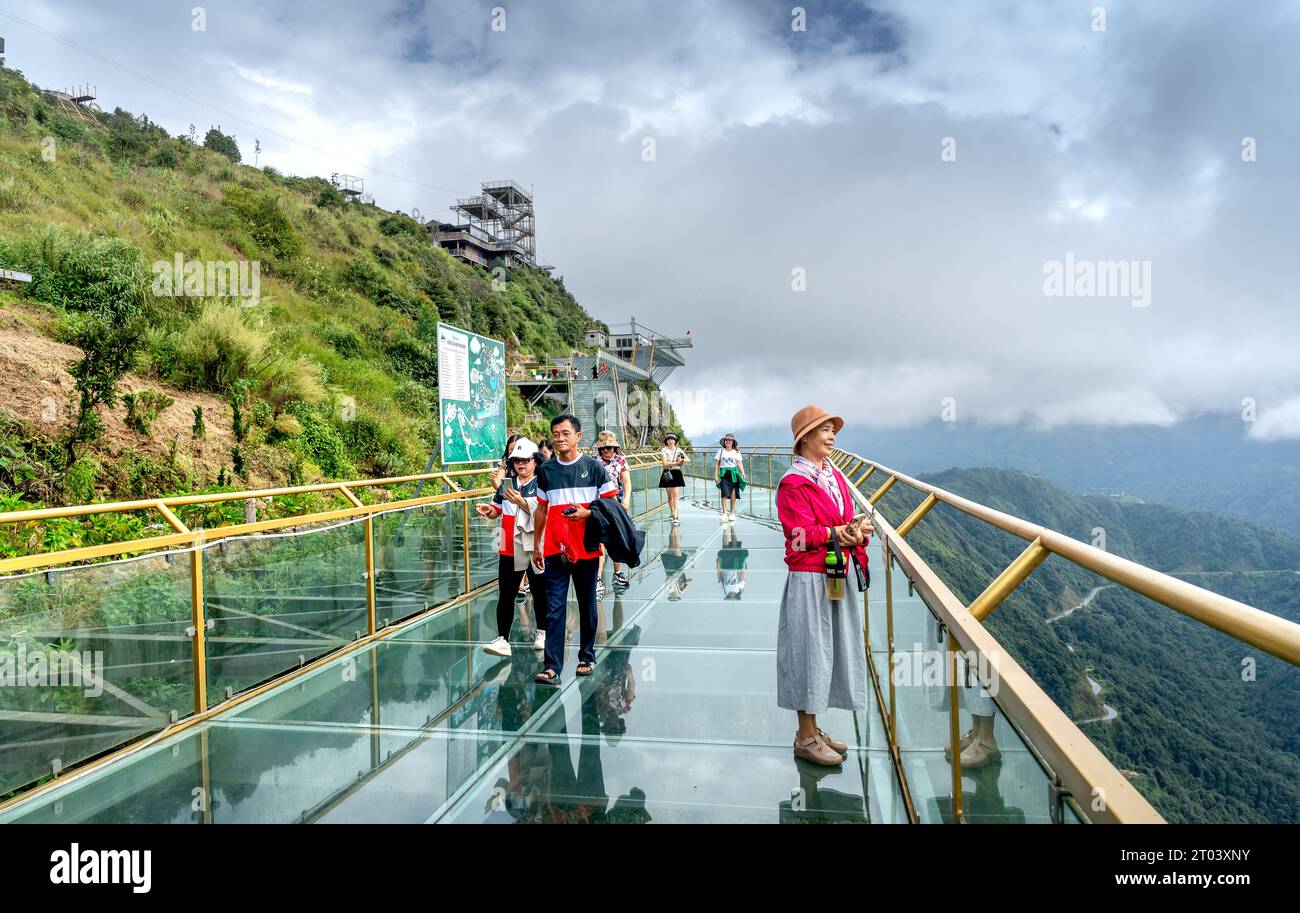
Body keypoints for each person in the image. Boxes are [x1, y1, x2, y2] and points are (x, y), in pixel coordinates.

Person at [776, 405, 873, 767]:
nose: (832, 436)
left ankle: (814, 730)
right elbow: (798, 536)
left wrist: (856, 528)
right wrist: (840, 533)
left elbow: (842, 522)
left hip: (834, 573)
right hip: (809, 578)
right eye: (825, 430)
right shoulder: (793, 483)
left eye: (833, 430)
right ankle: (804, 736)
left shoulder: (831, 476)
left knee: (826, 651)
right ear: (805, 437)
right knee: (807, 651)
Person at [531, 414, 619, 686]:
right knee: (554, 606)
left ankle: (586, 656)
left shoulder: (594, 468)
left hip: (587, 547)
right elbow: (542, 509)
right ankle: (552, 667)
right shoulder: (546, 471)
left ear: (578, 436)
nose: (559, 438)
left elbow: (611, 506)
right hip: (554, 548)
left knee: (586, 603)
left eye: (565, 433)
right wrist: (537, 543)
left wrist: (587, 513)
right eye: (555, 433)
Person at [478, 438, 547, 656]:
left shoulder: (543, 484)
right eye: (517, 460)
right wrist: (488, 511)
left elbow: (545, 514)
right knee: (506, 594)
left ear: (535, 461)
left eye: (526, 460)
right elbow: (497, 509)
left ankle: (543, 632)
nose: (521, 465)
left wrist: (522, 502)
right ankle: (502, 638)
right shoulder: (507, 485)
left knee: (539, 591)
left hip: (534, 546)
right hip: (509, 545)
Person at [594, 429, 633, 593]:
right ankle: (598, 578)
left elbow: (626, 481)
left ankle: (618, 573)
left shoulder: (621, 461)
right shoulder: (594, 462)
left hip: (616, 504)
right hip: (599, 505)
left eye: (609, 448)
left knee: (616, 539)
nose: (606, 451)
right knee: (600, 541)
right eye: (603, 448)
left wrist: (626, 499)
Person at [715, 433, 747, 523]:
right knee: (724, 493)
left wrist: (743, 472)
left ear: (733, 442)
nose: (727, 441)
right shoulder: (720, 451)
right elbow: (717, 463)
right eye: (726, 440)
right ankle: (724, 513)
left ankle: (732, 513)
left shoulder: (736, 452)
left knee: (733, 494)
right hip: (724, 473)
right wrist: (716, 475)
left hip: (733, 473)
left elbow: (739, 463)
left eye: (729, 440)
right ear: (724, 441)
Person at [658, 432, 687, 524]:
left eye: (672, 439)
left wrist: (681, 460)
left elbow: (687, 459)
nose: (671, 441)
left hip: (677, 473)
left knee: (675, 496)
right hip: (668, 473)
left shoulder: (678, 450)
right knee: (670, 496)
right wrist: (677, 462)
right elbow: (665, 463)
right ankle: (672, 512)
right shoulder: (664, 450)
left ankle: (675, 515)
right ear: (666, 441)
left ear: (675, 441)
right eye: (669, 439)